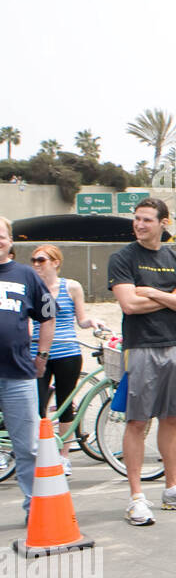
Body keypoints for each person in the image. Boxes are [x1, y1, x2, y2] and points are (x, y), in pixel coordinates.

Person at [107, 198, 176, 526]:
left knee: (170, 417)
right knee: (137, 422)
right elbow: (129, 306)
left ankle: (173, 488)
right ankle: (137, 498)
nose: (139, 225)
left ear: (164, 222)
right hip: (141, 348)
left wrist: (149, 292)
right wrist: (169, 297)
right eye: (136, 219)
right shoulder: (122, 258)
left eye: (147, 220)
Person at [28, 245, 107, 475]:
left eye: (41, 260)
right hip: (37, 352)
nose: (36, 264)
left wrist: (92, 322)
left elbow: (80, 319)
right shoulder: (31, 287)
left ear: (55, 262)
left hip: (67, 352)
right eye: (33, 260)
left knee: (66, 404)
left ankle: (64, 456)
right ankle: (41, 453)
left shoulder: (70, 287)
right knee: (37, 406)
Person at [0, 217, 54, 523]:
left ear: (10, 241)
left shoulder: (25, 276)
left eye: (2, 235)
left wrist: (42, 356)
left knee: (28, 447)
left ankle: (36, 509)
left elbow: (47, 317)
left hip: (17, 374)